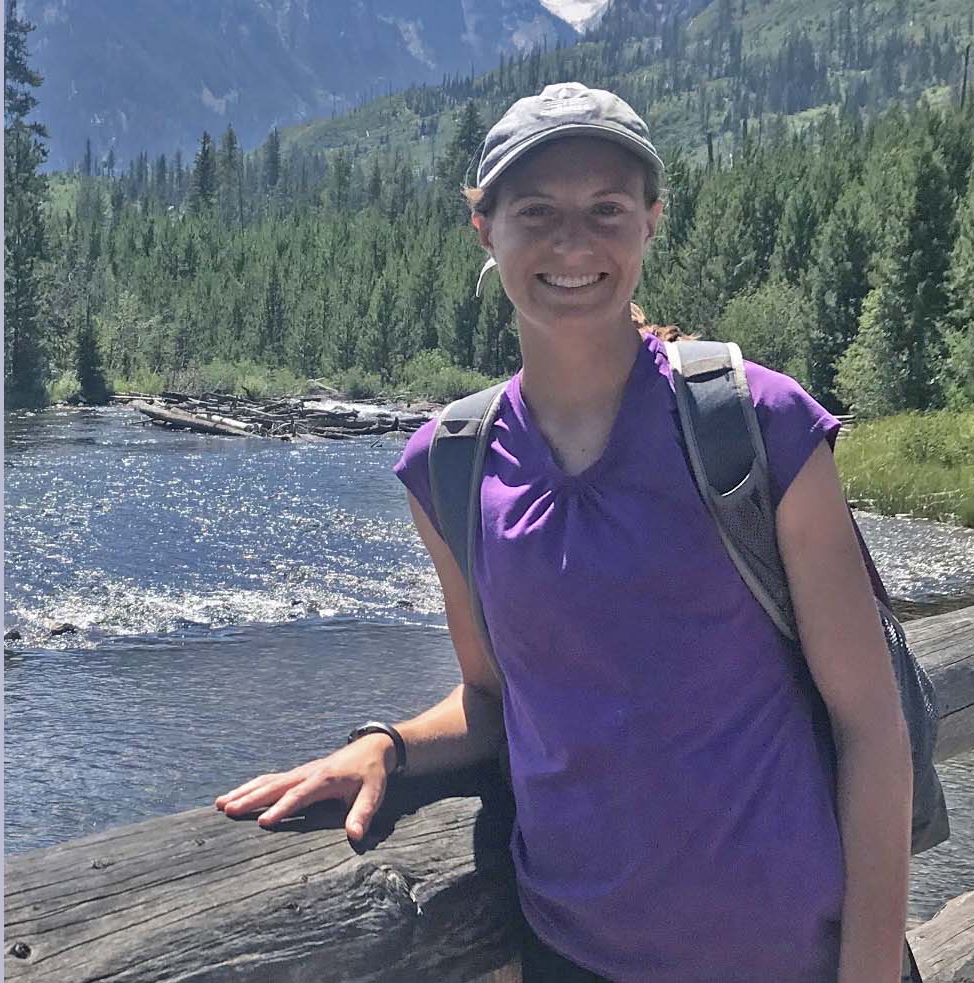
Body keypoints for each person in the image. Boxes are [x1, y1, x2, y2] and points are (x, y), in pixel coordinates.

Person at [216, 83, 915, 982]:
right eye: (537, 211)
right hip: (571, 959)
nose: (573, 243)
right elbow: (496, 697)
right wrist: (384, 745)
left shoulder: (760, 427)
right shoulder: (450, 466)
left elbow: (871, 727)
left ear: (652, 222)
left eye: (607, 210)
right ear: (486, 230)